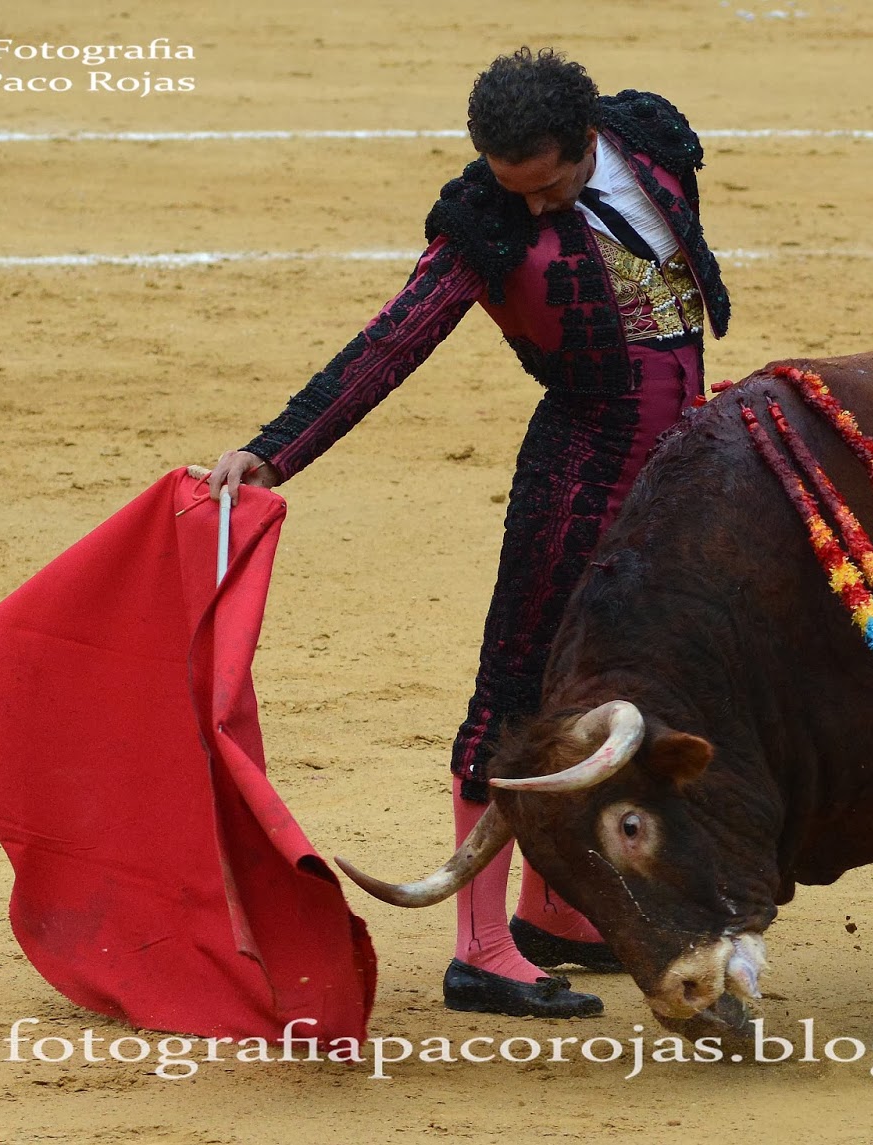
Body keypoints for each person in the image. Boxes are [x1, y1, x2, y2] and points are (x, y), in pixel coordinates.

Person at [204, 47, 730, 1018]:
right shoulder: (482, 223)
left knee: (616, 677)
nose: (531, 208)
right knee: (516, 687)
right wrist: (274, 451)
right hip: (578, 473)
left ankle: (554, 908)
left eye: (548, 186)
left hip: (678, 468)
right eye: (511, 189)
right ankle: (480, 948)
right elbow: (392, 342)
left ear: (586, 143)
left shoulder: (650, 140)